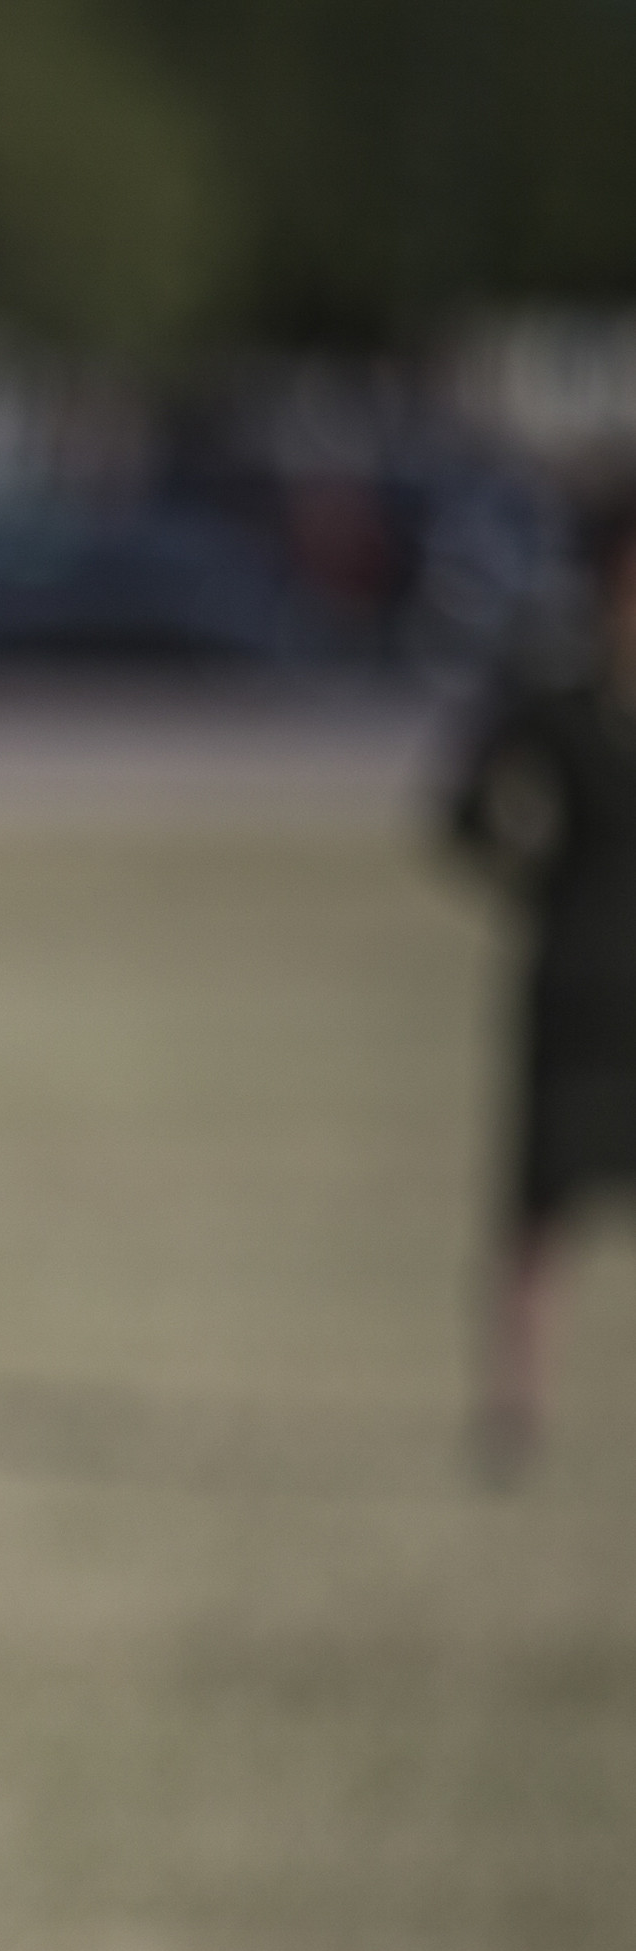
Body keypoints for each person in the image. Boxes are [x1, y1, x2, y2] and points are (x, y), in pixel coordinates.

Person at [445, 493, 636, 1477]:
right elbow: (467, 808)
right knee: (538, 1210)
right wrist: (523, 857)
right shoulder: (557, 704)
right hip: (577, 982)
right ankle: (515, 1411)